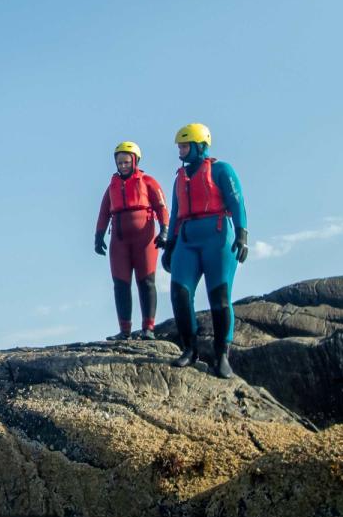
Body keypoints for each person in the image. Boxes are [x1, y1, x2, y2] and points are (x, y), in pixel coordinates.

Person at [161, 124, 248, 378]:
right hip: (187, 240)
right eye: (179, 146)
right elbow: (176, 213)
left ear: (200, 146)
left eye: (185, 146)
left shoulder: (222, 170)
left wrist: (242, 234)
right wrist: (170, 245)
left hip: (218, 238)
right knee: (179, 292)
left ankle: (222, 356)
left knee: (219, 298)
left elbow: (237, 201)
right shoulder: (180, 177)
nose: (180, 150)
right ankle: (190, 349)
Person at [95, 142, 170, 340]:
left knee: (146, 282)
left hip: (144, 240)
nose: (123, 166)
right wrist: (98, 236)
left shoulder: (148, 181)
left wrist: (164, 231)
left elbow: (162, 207)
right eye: (120, 162)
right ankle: (125, 330)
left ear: (135, 161)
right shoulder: (112, 186)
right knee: (120, 284)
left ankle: (148, 328)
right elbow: (103, 212)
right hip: (119, 242)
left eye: (127, 162)